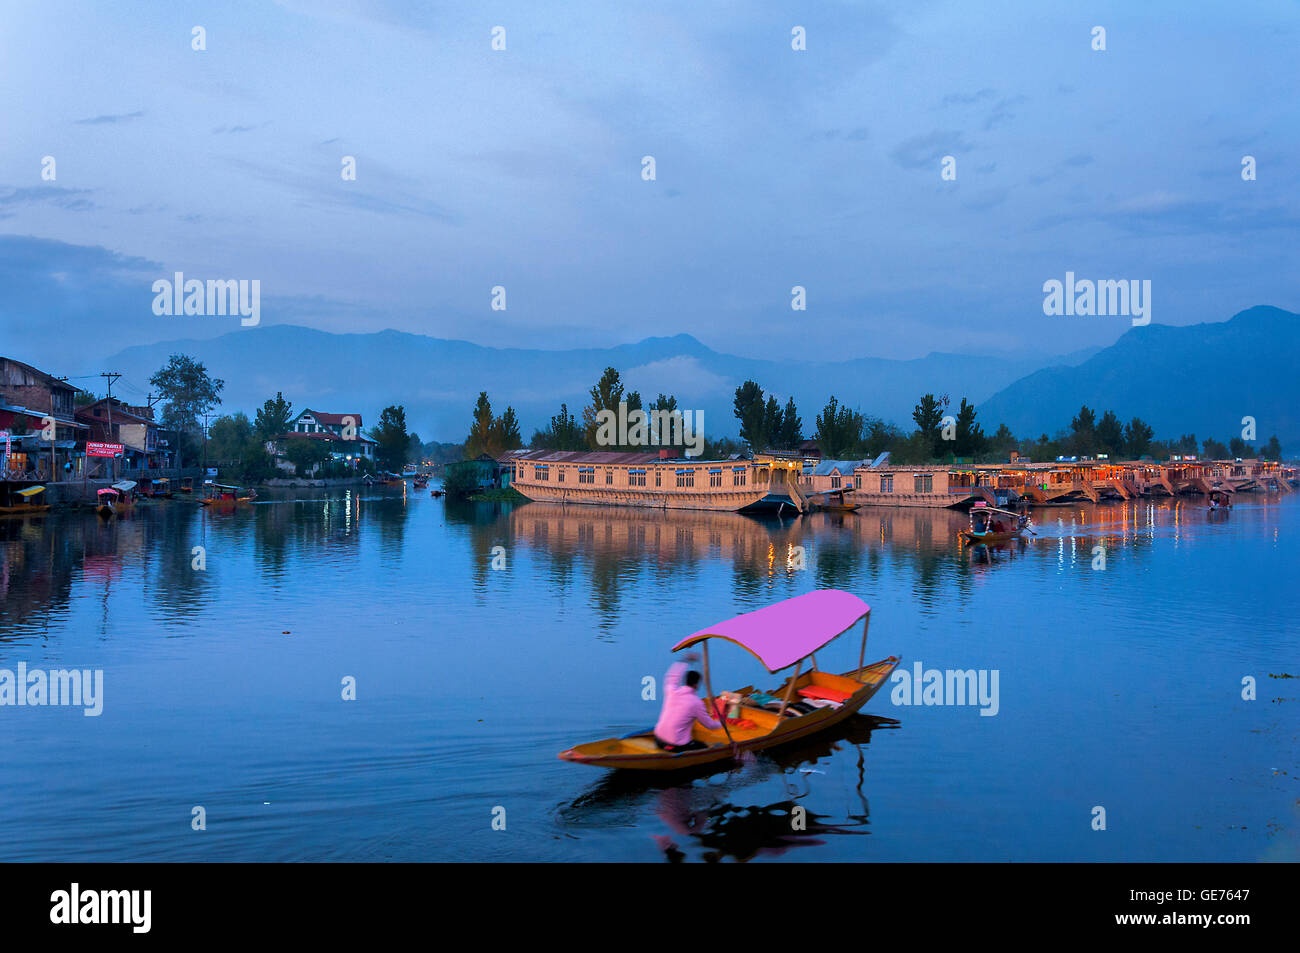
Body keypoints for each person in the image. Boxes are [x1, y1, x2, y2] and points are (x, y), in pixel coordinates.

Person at [654, 652, 722, 752]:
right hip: (675, 746)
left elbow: (672, 676)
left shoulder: (672, 691)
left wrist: (685, 660)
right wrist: (721, 723)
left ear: (685, 681)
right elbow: (710, 725)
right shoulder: (696, 703)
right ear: (696, 685)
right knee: (703, 746)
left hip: (658, 739)